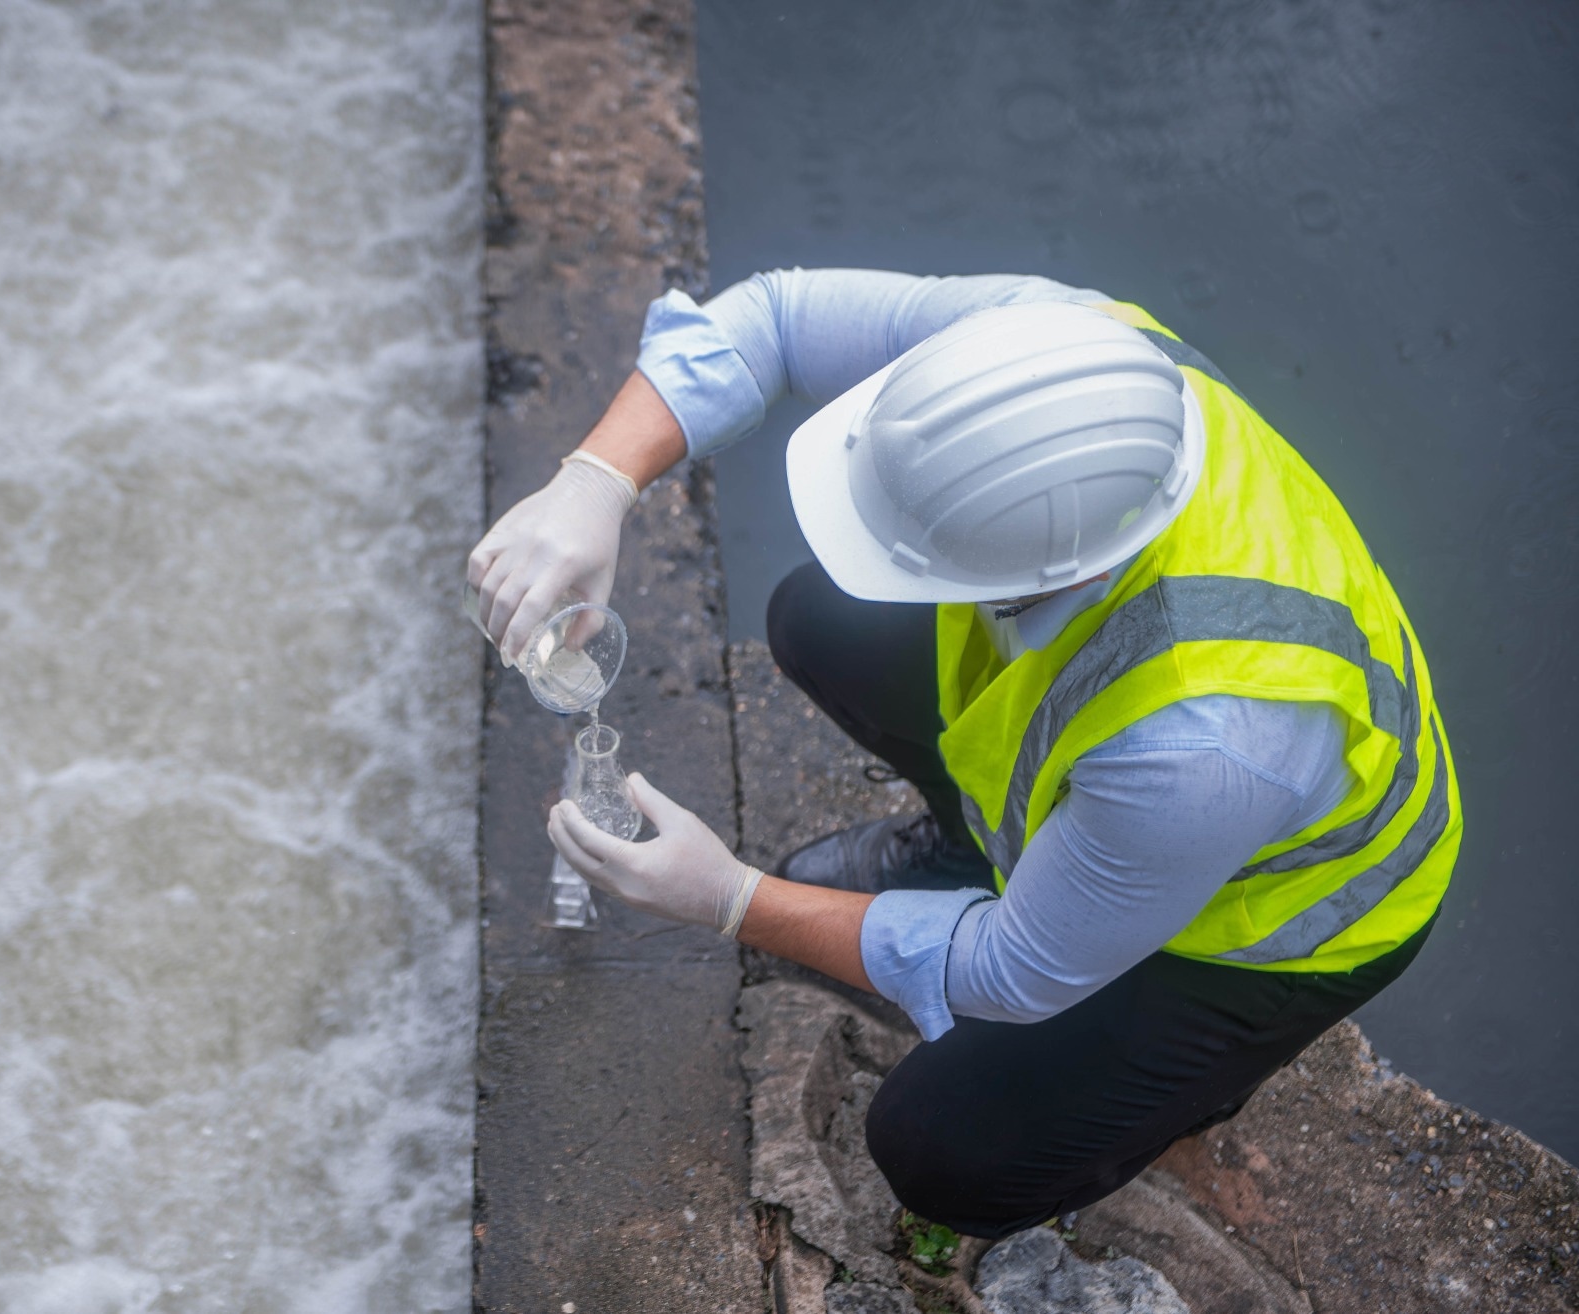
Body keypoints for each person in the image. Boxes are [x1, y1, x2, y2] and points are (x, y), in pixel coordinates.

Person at [464, 269, 1460, 1239]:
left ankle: (1178, 1100)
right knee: (821, 616)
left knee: (942, 1149)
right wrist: (596, 480)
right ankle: (968, 855)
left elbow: (1013, 969)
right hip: (1160, 776)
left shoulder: (1204, 747)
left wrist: (730, 899)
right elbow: (776, 315)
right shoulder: (1043, 350)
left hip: (1265, 924)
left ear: (1042, 576)